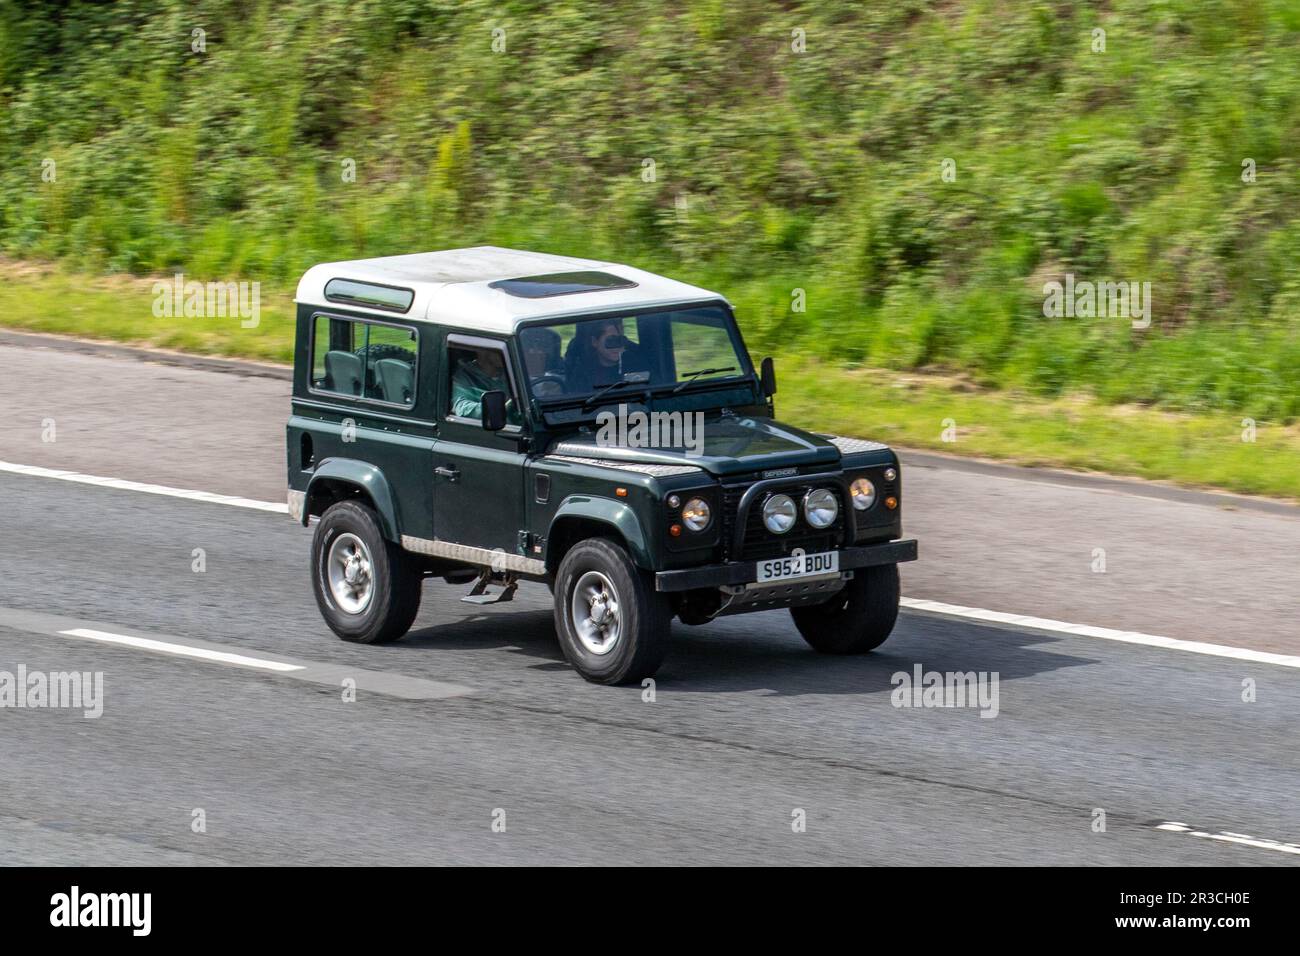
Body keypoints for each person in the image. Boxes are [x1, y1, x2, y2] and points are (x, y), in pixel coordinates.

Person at [450, 347, 520, 424]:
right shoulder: (465, 376)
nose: (506, 354)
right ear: (482, 351)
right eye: (499, 349)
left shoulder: (510, 374)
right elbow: (462, 408)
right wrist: (495, 406)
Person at [564, 318, 633, 394]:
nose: (617, 346)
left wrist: (621, 406)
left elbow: (628, 399)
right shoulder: (583, 374)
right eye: (610, 340)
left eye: (620, 340)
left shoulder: (633, 366)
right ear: (595, 342)